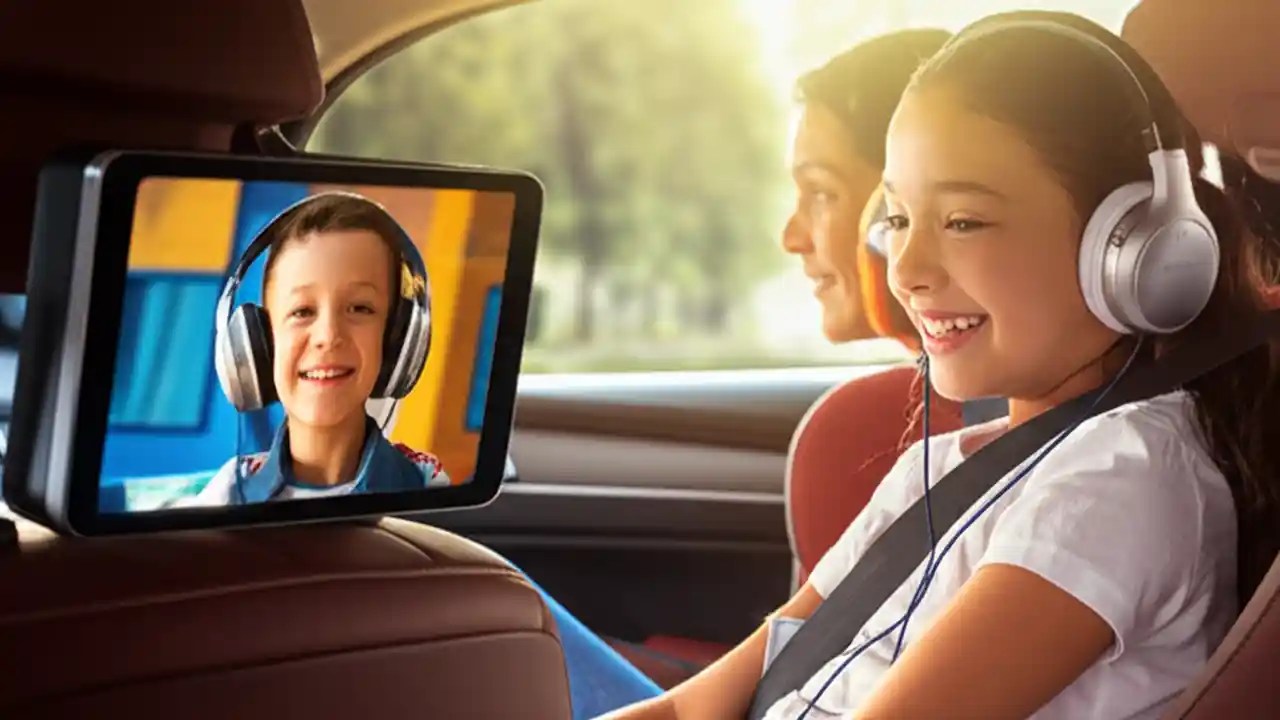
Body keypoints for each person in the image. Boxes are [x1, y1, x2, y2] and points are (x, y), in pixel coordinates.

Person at [601, 10, 1280, 720]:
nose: (907, 270)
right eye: (895, 220)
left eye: (963, 221)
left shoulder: (1119, 482)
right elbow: (693, 709)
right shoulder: (944, 470)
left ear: (1135, 252)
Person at [176, 192, 450, 508]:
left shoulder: (424, 482)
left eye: (360, 308)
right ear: (259, 344)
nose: (328, 336)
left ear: (396, 340)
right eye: (302, 311)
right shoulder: (229, 492)